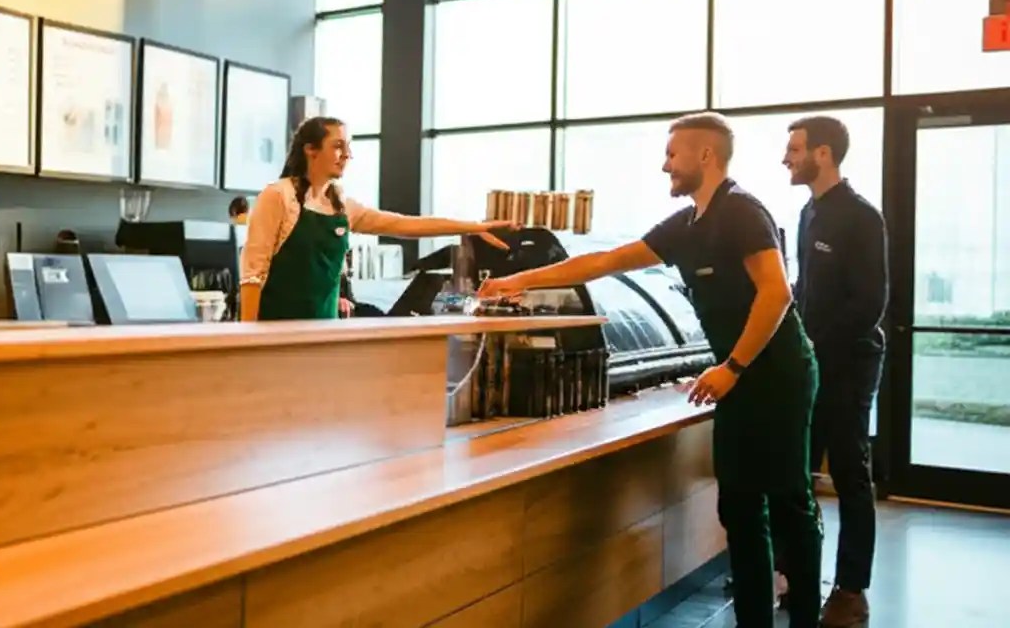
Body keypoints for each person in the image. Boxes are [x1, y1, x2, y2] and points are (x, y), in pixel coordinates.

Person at [478, 112, 823, 628]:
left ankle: (805, 618)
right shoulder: (685, 226)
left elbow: (777, 293)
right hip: (737, 377)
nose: (665, 166)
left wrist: (732, 366)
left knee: (790, 501)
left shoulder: (742, 212)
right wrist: (520, 280)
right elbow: (604, 262)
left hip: (777, 374)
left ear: (705, 155)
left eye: (672, 154)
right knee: (741, 509)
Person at [240, 116, 513, 321]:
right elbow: (253, 275)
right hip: (275, 333)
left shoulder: (341, 207)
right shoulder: (278, 196)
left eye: (348, 147)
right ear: (310, 150)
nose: (347, 155)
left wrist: (474, 227)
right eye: (337, 146)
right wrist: (246, 341)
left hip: (323, 334)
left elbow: (406, 224)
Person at [780, 115, 887, 627]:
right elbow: (804, 291)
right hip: (813, 361)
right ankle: (800, 575)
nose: (787, 159)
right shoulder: (808, 214)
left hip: (850, 363)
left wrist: (815, 343)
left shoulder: (863, 217)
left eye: (795, 150)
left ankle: (850, 591)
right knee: (799, 470)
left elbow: (870, 303)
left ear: (823, 154)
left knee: (848, 470)